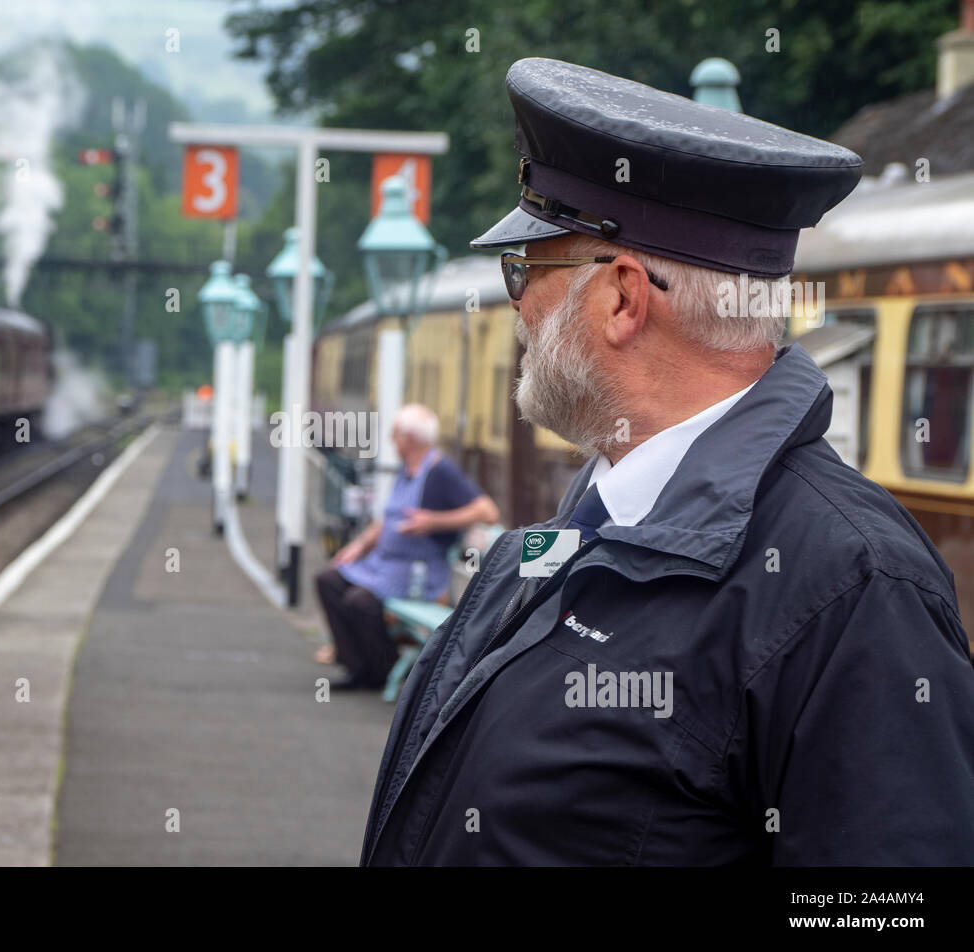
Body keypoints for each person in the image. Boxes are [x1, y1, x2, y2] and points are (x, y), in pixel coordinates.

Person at [361, 58, 974, 865]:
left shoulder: (855, 589)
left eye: (526, 268)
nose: (516, 301)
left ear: (621, 298)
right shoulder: (583, 529)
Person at [315, 404, 499, 691]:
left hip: (417, 574)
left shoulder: (440, 472)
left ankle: (380, 668)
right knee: (328, 580)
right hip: (384, 565)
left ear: (409, 438)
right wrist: (358, 546)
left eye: (395, 433)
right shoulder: (407, 471)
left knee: (358, 601)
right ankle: (356, 664)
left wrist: (434, 521)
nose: (392, 439)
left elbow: (488, 511)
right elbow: (387, 519)